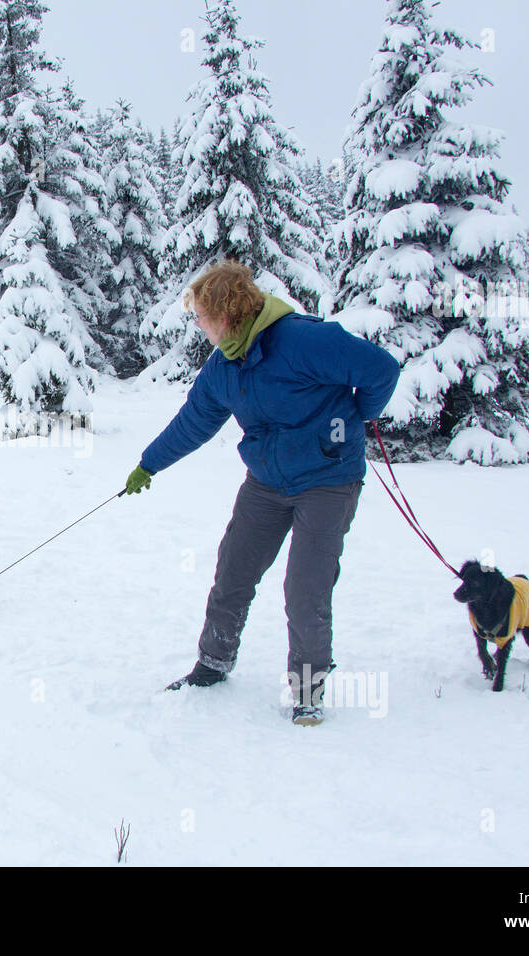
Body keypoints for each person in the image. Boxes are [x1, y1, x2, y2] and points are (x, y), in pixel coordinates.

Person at [125, 260, 400, 725]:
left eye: (200, 316)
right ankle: (212, 664)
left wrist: (358, 416)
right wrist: (149, 464)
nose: (196, 324)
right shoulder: (223, 366)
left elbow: (382, 370)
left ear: (225, 314)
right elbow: (195, 422)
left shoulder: (304, 340)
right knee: (233, 570)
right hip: (267, 483)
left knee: (305, 586)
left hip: (327, 480)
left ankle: (307, 689)